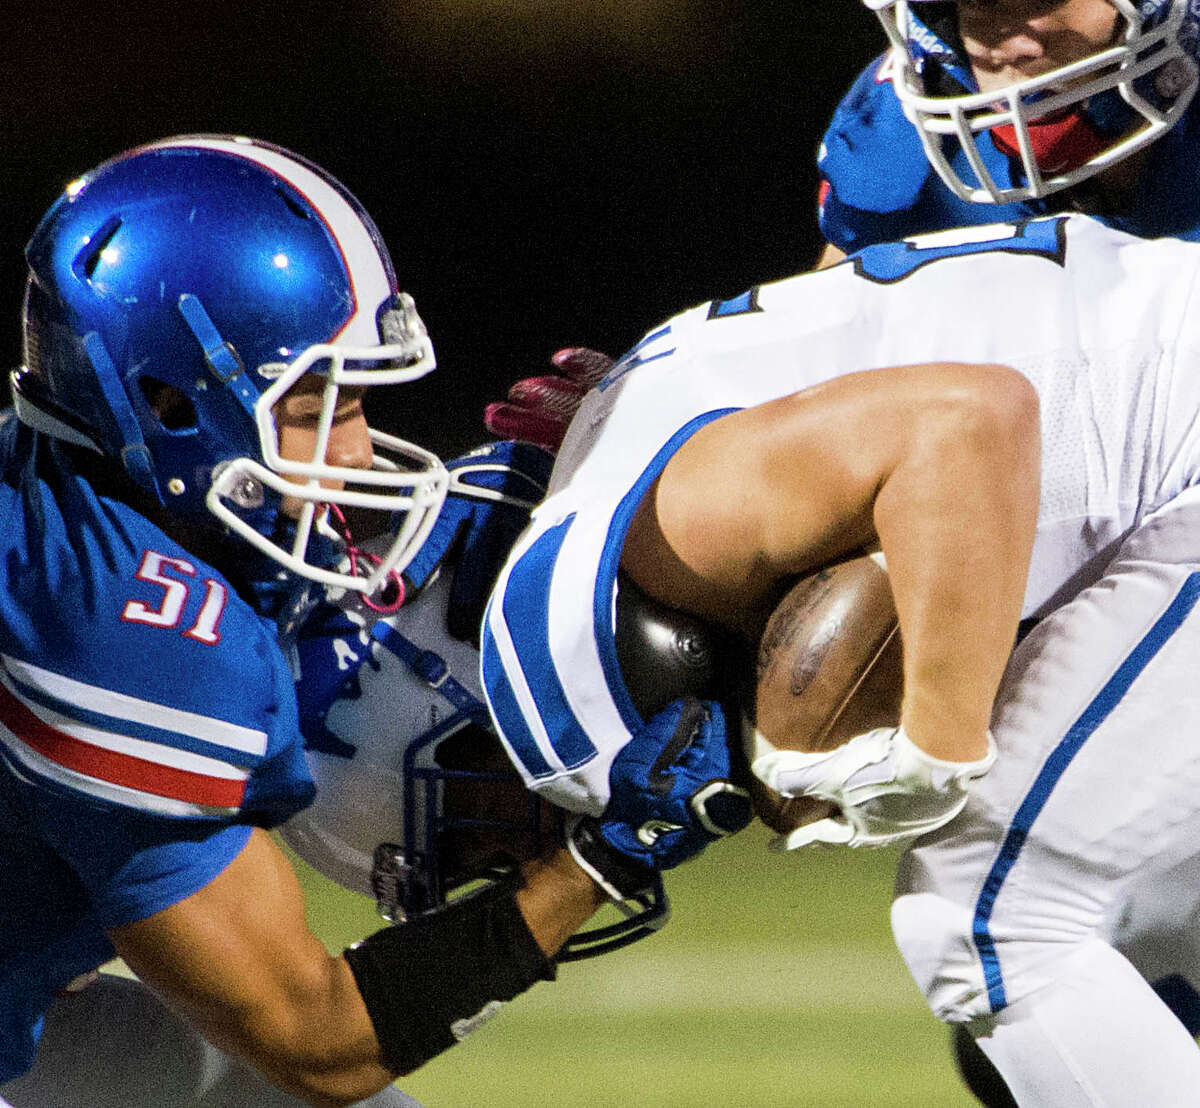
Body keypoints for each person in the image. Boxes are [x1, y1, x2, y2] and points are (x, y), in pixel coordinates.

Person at [0, 134, 751, 1108]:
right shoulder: (113, 631)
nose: (353, 452)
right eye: (317, 404)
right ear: (161, 399)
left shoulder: (73, 511)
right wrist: (599, 863)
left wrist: (605, 463)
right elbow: (321, 1041)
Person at [480, 212, 1200, 1105]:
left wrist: (936, 750)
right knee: (1157, 930)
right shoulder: (630, 483)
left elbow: (973, 419)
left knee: (989, 919)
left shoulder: (686, 525)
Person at [817, 0, 1200, 265]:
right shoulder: (891, 142)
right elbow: (832, 336)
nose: (1019, 48)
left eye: (1042, 1)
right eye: (980, 3)